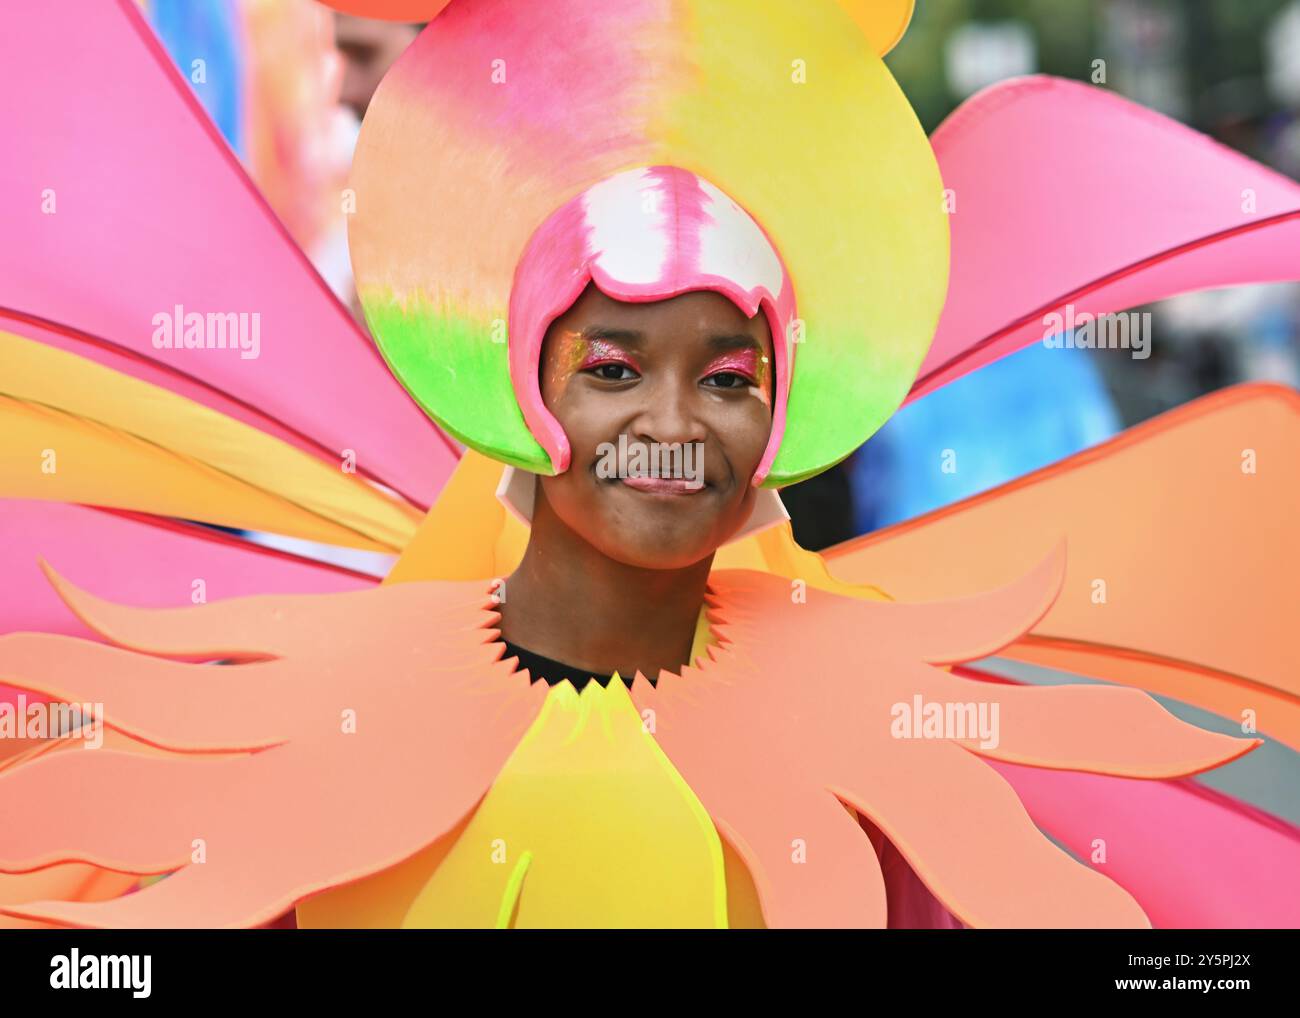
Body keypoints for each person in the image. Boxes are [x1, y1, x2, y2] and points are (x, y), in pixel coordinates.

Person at [2, 0, 1298, 930]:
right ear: (521, 387)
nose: (673, 420)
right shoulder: (318, 728)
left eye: (728, 376)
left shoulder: (897, 745)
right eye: (613, 367)